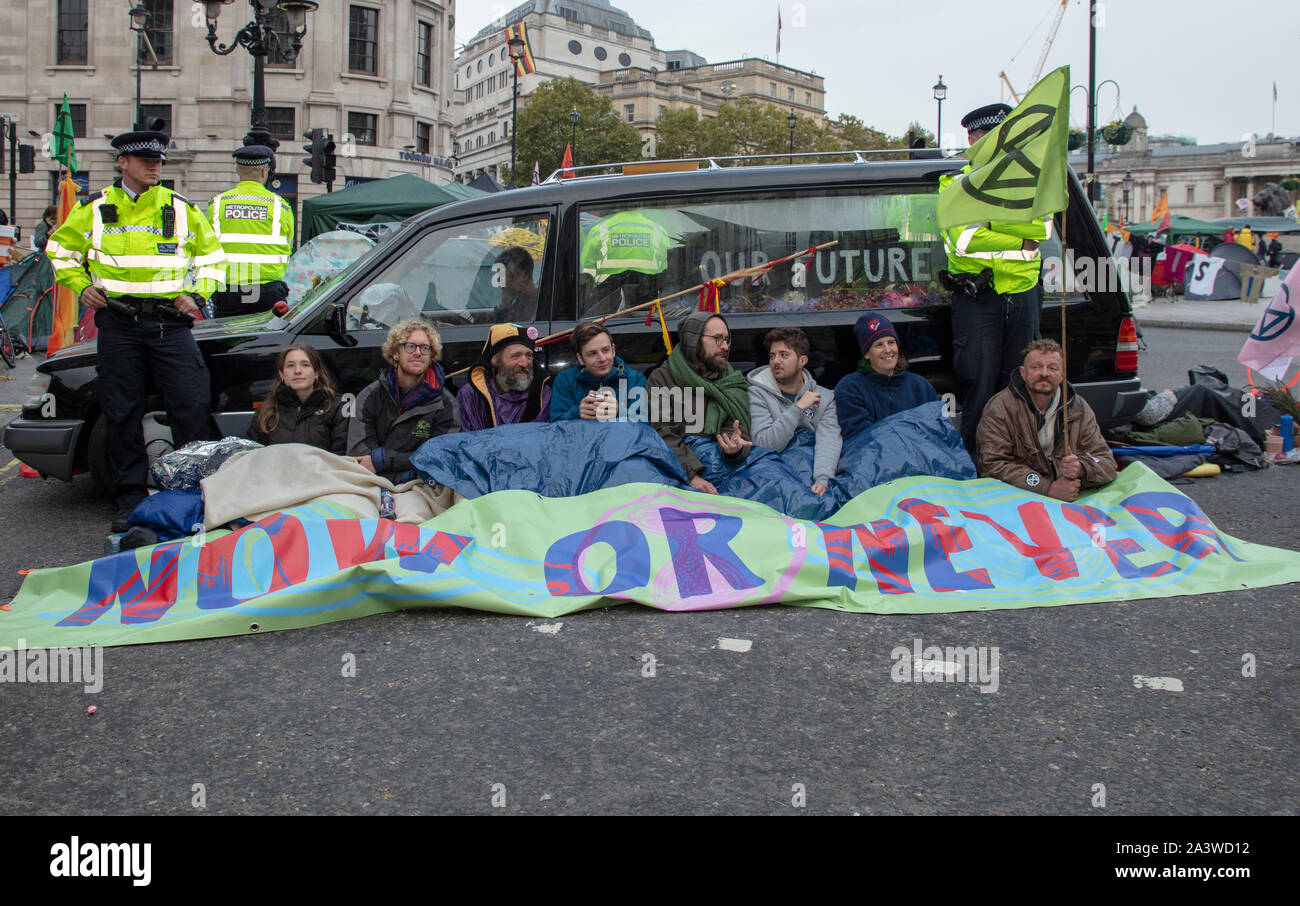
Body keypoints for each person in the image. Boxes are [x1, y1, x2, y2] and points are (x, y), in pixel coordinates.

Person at [45, 128, 225, 531]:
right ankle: (129, 500)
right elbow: (58, 250)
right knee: (121, 413)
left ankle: (198, 495)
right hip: (120, 325)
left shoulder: (179, 208)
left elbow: (213, 257)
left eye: (158, 160)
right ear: (122, 163)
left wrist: (197, 294)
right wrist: (82, 285)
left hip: (171, 325)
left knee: (192, 407)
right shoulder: (95, 208)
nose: (154, 166)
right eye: (145, 160)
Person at [938, 102, 1051, 455]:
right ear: (973, 140)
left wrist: (990, 224)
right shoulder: (956, 183)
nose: (1004, 147)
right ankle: (979, 465)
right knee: (980, 385)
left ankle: (1018, 460)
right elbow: (966, 241)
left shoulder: (1031, 184)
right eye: (992, 140)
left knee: (1023, 383)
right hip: (977, 297)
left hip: (1022, 293)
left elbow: (1042, 230)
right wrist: (1017, 235)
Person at [976, 338, 1117, 501]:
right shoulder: (1000, 408)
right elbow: (992, 464)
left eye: (1052, 368)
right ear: (1023, 372)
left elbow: (1106, 462)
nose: (1044, 373)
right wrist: (1045, 487)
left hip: (1071, 495)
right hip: (1019, 496)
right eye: (1036, 367)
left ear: (1062, 375)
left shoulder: (1079, 408)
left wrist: (1082, 468)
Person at [646, 311, 752, 494]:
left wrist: (733, 449)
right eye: (718, 339)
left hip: (724, 462)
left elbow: (734, 429)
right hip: (684, 464)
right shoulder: (662, 378)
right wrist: (691, 475)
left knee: (772, 477)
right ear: (693, 341)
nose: (725, 346)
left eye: (727, 339)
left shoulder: (730, 379)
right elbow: (661, 433)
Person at [349, 319, 459, 482]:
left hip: (420, 485)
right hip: (371, 482)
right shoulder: (369, 396)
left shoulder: (446, 403)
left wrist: (383, 460)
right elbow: (360, 458)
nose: (418, 352)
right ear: (395, 353)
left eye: (425, 348)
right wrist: (404, 468)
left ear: (431, 357)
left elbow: (440, 458)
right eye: (410, 346)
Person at [747, 326, 841, 495]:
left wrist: (822, 479)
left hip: (811, 473)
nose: (776, 361)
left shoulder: (824, 398)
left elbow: (828, 441)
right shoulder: (757, 393)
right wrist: (797, 409)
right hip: (772, 476)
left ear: (802, 360)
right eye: (772, 356)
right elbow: (764, 444)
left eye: (784, 355)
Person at [205, 144, 295, 318]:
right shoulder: (281, 205)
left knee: (227, 341)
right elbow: (288, 246)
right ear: (264, 172)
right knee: (271, 341)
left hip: (229, 291)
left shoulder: (216, 204)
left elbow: (205, 246)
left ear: (238, 170)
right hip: (267, 292)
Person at [835, 313, 938, 440]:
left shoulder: (920, 386)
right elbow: (861, 438)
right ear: (867, 353)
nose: (888, 350)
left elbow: (935, 430)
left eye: (891, 342)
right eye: (879, 345)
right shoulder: (850, 388)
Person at [246, 344, 349, 454]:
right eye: (290, 365)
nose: (298, 371)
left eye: (305, 365)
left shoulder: (337, 408)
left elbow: (342, 457)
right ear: (281, 374)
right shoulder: (266, 411)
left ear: (316, 373)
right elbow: (252, 457)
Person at [457, 322, 552, 430]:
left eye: (529, 355)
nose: (525, 363)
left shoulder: (542, 394)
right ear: (495, 361)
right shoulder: (471, 396)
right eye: (516, 356)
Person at [549, 320, 647, 421]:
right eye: (592, 353)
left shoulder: (635, 379)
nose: (602, 359)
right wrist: (576, 413)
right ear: (580, 359)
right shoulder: (564, 381)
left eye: (606, 350)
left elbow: (647, 427)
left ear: (613, 350)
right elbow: (554, 427)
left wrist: (619, 412)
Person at [491, 246, 539, 323]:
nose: (499, 281)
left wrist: (504, 306)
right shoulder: (523, 300)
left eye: (502, 275)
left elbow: (502, 329)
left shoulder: (531, 305)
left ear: (522, 274)